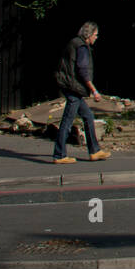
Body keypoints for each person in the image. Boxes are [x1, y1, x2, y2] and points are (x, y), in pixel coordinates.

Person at [52, 21, 111, 164]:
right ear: (89, 35)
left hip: (70, 86)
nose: (97, 37)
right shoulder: (82, 47)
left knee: (88, 116)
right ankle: (59, 155)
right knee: (67, 120)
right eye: (95, 35)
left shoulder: (74, 42)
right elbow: (83, 71)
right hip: (73, 87)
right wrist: (94, 91)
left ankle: (94, 151)